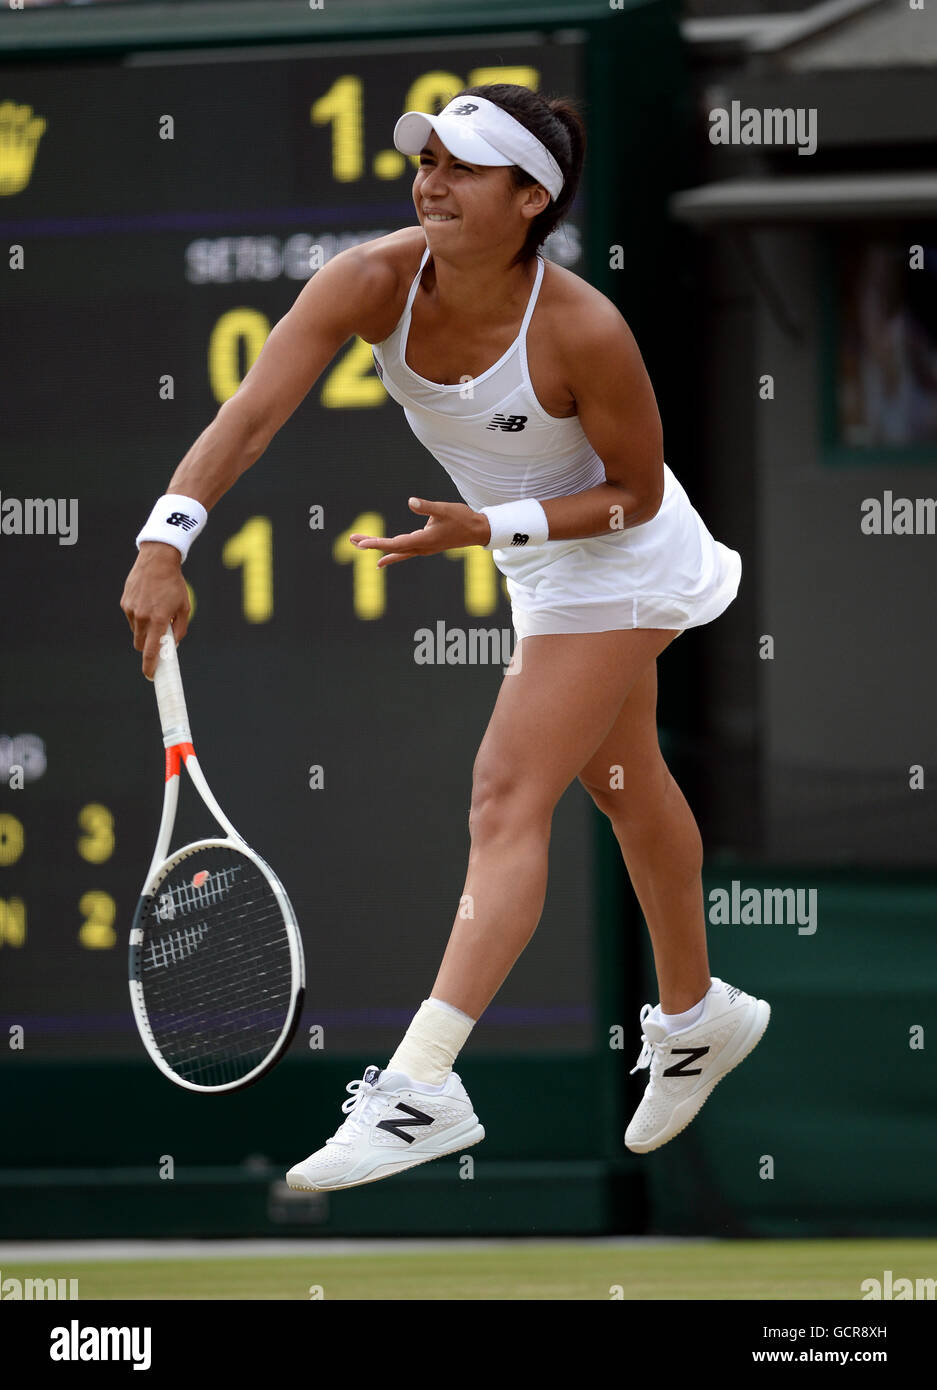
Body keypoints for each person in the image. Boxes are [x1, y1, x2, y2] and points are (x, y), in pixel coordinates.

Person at [120, 84, 770, 1193]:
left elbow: (638, 494)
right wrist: (164, 539)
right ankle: (698, 1012)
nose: (430, 180)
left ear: (530, 198)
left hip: (618, 549)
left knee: (503, 795)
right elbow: (252, 416)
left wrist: (490, 526)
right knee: (621, 778)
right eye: (425, 161)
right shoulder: (366, 281)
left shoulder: (582, 328)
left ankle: (421, 1084)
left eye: (463, 167)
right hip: (533, 557)